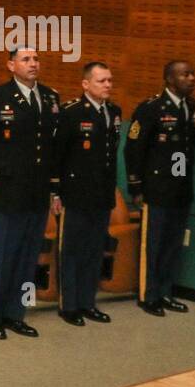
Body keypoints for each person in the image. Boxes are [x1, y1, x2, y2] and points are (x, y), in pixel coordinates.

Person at [0, 47, 60, 340]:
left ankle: (17, 314)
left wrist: (54, 189)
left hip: (37, 191)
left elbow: (52, 149)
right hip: (5, 191)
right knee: (2, 256)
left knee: (28, 256)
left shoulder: (50, 97)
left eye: (36, 59)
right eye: (26, 60)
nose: (33, 64)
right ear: (11, 65)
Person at [125, 60, 195, 317]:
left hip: (180, 189)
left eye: (192, 74)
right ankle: (149, 295)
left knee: (172, 245)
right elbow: (134, 147)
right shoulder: (151, 108)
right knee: (153, 244)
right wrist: (135, 185)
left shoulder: (191, 107)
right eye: (185, 74)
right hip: (156, 189)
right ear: (169, 79)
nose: (191, 78)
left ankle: (166, 292)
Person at [52, 61, 122, 325]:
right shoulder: (71, 112)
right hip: (74, 193)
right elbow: (57, 156)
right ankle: (69, 306)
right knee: (71, 251)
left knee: (94, 250)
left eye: (109, 80)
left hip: (101, 193)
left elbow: (109, 155)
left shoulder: (114, 111)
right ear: (85, 84)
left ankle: (87, 302)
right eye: (101, 81)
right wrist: (55, 192)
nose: (107, 85)